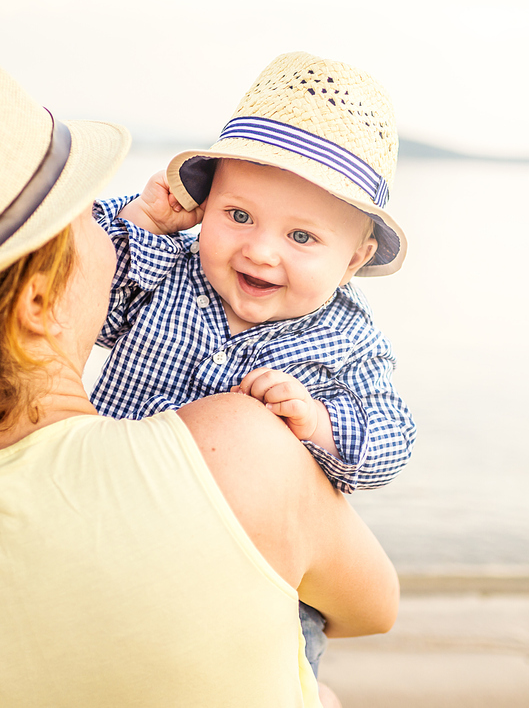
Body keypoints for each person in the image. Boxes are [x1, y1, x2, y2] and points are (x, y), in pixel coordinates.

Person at [0, 34, 398, 708]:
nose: (113, 221)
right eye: (87, 210)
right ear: (37, 300)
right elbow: (373, 607)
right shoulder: (243, 455)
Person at [87, 52, 416, 675]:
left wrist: (318, 420)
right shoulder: (168, 269)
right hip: (120, 526)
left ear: (354, 258)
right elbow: (82, 276)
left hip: (256, 579)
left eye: (302, 237)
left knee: (265, 673)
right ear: (204, 207)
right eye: (238, 216)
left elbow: (393, 441)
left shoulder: (349, 340)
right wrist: (145, 219)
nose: (260, 250)